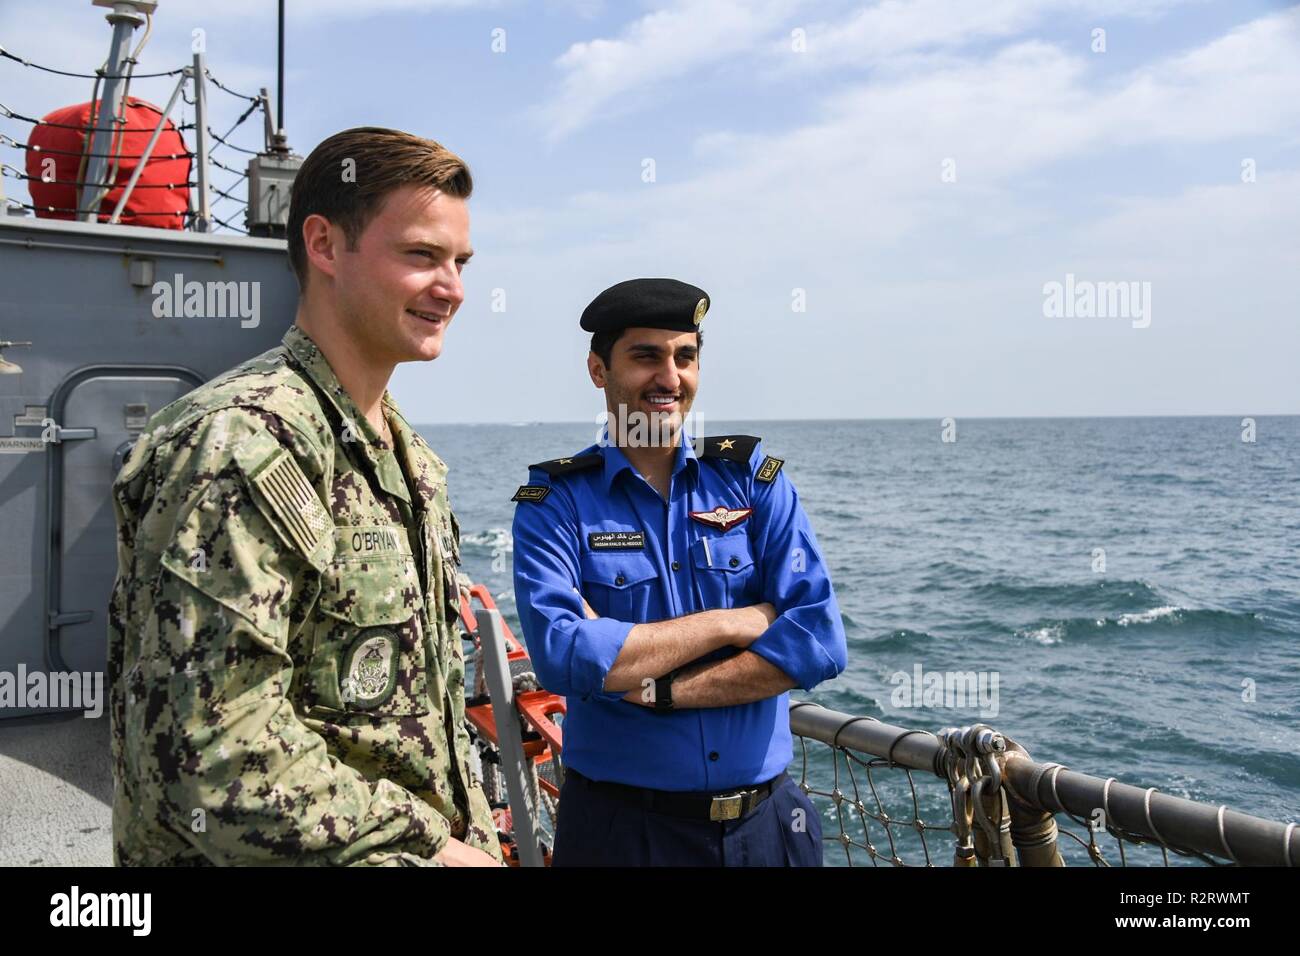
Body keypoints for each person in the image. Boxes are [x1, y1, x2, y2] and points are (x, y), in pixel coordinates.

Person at [107, 127, 503, 866]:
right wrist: (435, 847)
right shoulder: (241, 444)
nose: (452, 287)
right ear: (324, 245)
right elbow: (211, 755)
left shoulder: (409, 458)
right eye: (421, 255)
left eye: (460, 262)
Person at [510, 278, 847, 866]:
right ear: (598, 369)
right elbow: (564, 656)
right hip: (620, 832)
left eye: (684, 356)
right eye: (646, 356)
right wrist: (733, 622)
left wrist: (657, 688)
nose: (669, 377)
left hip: (768, 832)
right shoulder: (556, 502)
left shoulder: (753, 481)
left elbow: (818, 641)